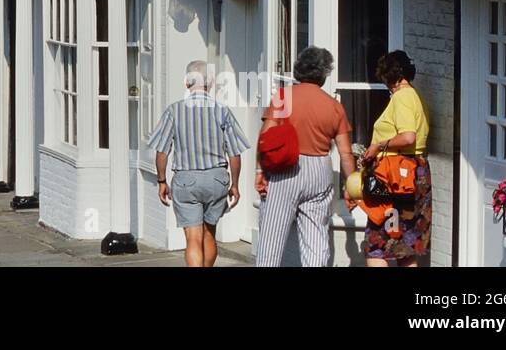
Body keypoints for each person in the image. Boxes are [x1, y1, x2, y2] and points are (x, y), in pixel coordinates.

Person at [254, 47, 357, 267]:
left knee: (271, 239)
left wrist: (260, 171)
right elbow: (346, 153)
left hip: (286, 168)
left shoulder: (284, 97)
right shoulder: (335, 106)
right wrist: (351, 186)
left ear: (299, 69)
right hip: (320, 169)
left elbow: (265, 136)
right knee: (316, 240)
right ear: (324, 73)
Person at [150, 60, 250, 267]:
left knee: (193, 238)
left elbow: (162, 151)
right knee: (209, 234)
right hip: (216, 179)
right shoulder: (222, 110)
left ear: (187, 82)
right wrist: (235, 185)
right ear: (210, 82)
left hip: (186, 180)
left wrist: (161, 180)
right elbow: (234, 153)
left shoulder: (174, 111)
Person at [357, 50, 431, 267]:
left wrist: (378, 145)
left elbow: (408, 136)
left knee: (377, 244)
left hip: (394, 178)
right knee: (406, 247)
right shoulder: (416, 97)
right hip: (415, 175)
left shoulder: (402, 97)